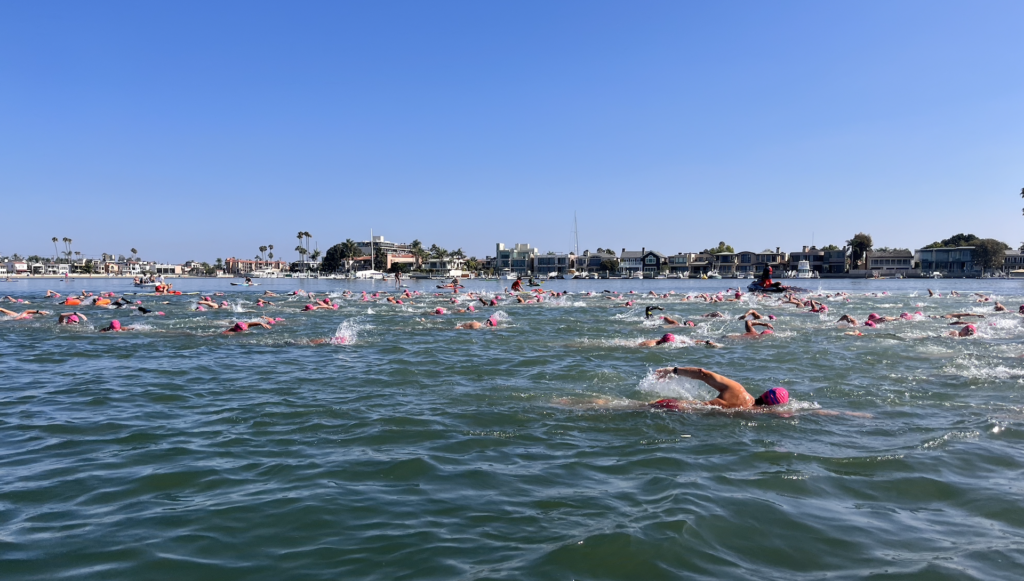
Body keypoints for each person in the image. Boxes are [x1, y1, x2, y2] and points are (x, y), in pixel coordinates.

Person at [648, 367, 789, 410]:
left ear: (765, 393)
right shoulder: (760, 414)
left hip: (676, 407)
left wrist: (674, 370)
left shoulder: (737, 390)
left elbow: (703, 373)